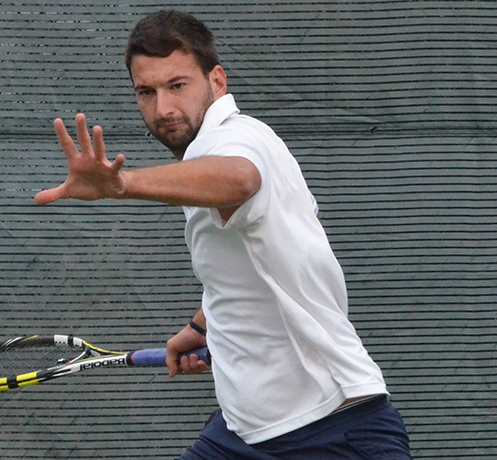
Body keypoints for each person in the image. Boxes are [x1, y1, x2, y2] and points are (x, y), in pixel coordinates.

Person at [35, 9, 411, 460]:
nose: (163, 109)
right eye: (146, 92)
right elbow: (255, 264)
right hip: (243, 428)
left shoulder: (237, 139)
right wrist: (200, 327)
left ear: (217, 81)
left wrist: (123, 184)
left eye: (178, 85)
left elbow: (237, 180)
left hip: (331, 428)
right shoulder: (205, 154)